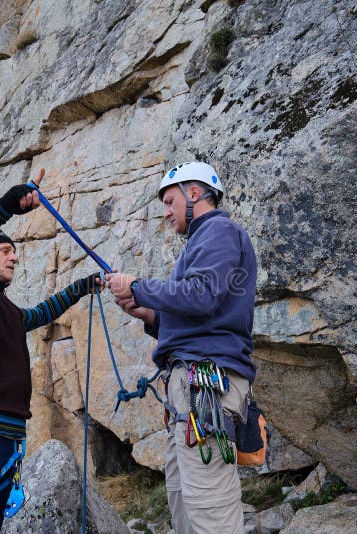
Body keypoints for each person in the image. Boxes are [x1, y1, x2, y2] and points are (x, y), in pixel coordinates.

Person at [0, 170, 102, 534]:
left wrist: (81, 287)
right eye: (5, 250)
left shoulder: (6, 309)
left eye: (15, 252)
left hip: (5, 440)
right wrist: (6, 206)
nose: (14, 258)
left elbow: (40, 314)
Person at [106, 161, 257, 533]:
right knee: (184, 503)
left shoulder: (218, 231)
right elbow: (200, 316)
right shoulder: (202, 242)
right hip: (191, 383)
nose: (166, 211)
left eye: (170, 201)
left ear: (194, 194)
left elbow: (201, 296)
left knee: (208, 508)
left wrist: (139, 286)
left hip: (205, 381)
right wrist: (148, 314)